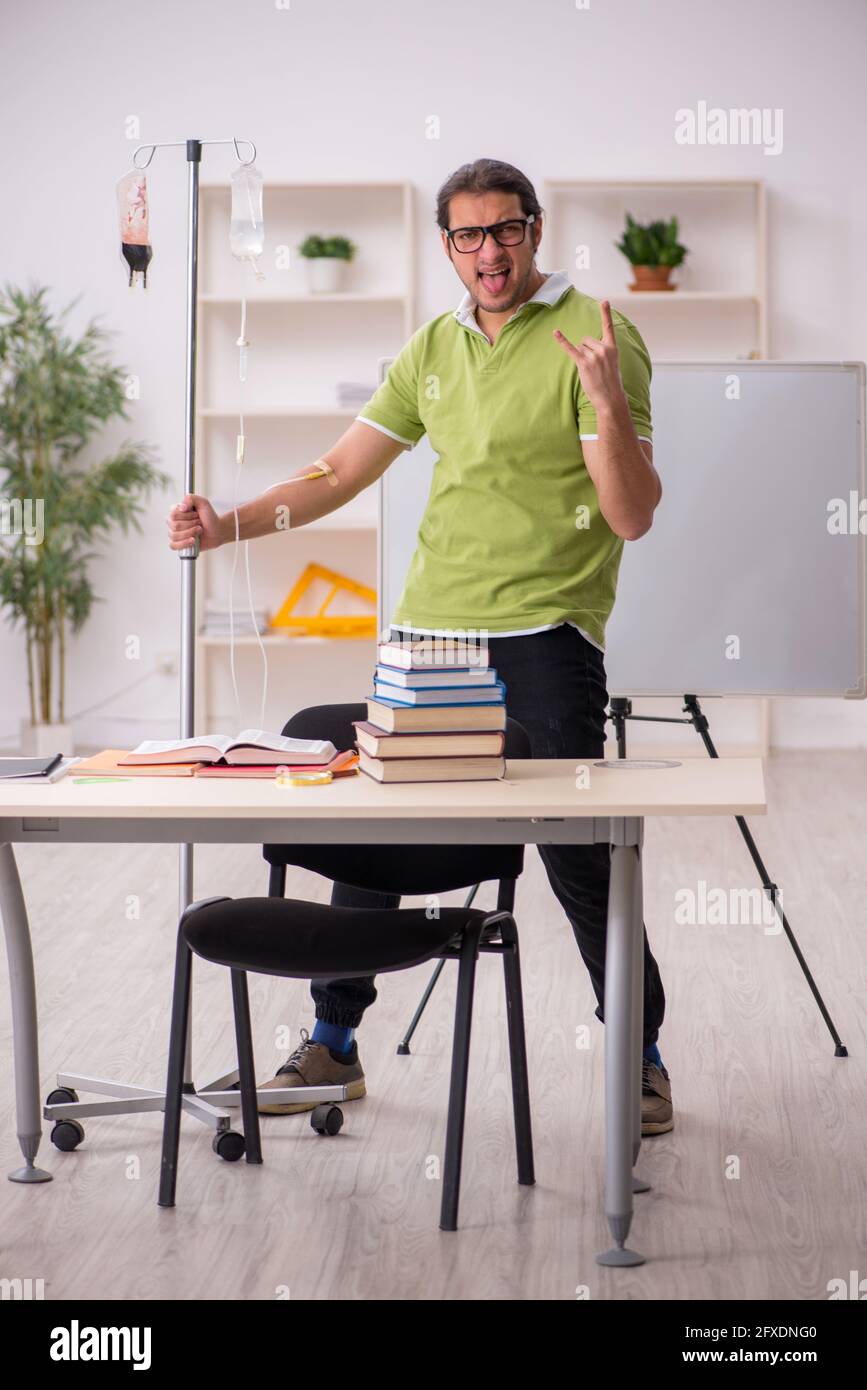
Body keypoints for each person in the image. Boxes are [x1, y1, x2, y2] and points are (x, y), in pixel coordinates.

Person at [166, 158, 672, 1136]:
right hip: (430, 637)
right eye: (468, 235)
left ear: (535, 228)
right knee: (372, 829)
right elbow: (337, 472)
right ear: (447, 245)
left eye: (507, 229)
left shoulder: (597, 339)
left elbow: (632, 514)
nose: (490, 252)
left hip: (547, 640)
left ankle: (640, 1055)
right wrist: (226, 523)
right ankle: (332, 1042)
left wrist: (607, 405)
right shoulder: (433, 346)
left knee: (582, 860)